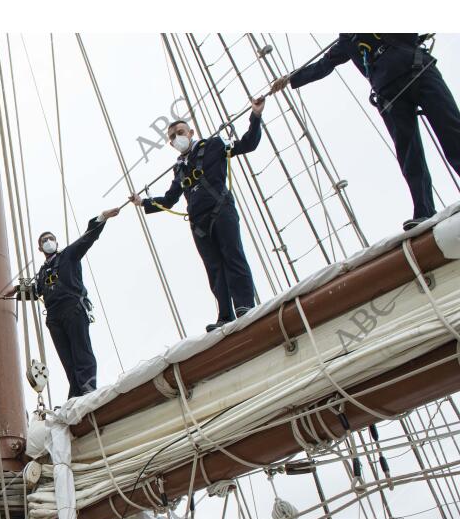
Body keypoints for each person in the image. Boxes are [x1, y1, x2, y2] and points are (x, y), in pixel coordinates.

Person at [272, 34, 460, 231]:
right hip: (390, 95)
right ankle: (424, 211)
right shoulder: (347, 40)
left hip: (419, 71)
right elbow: (323, 65)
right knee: (409, 155)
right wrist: (291, 79)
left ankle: (425, 209)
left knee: (452, 132)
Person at [131, 96, 267, 332]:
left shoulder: (213, 146)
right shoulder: (179, 168)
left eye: (180, 132)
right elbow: (169, 199)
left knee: (233, 256)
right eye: (172, 137)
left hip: (221, 210)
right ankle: (225, 314)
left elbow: (247, 144)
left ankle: (244, 304)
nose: (177, 138)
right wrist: (143, 202)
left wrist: (255, 116)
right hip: (199, 223)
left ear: (191, 132)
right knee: (214, 268)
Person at [32, 208, 119, 399]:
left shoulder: (68, 255)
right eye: (44, 241)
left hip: (73, 308)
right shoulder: (42, 273)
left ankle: (88, 387)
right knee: (67, 358)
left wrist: (102, 218)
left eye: (50, 239)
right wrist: (17, 291)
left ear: (56, 242)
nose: (48, 242)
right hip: (54, 317)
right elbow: (35, 291)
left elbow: (87, 239)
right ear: (40, 248)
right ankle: (76, 392)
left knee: (81, 351)